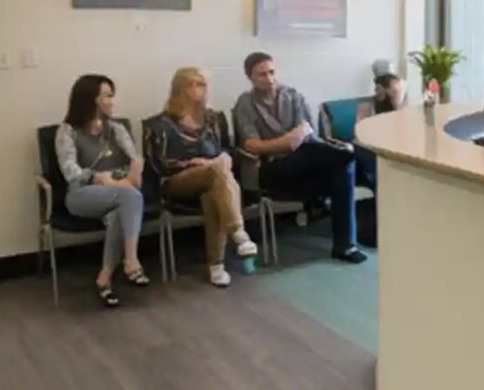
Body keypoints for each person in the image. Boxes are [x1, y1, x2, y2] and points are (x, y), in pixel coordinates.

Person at [232, 52, 367, 264]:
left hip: (304, 162)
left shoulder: (292, 95)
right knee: (340, 156)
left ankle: (345, 246)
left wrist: (291, 140)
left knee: (342, 169)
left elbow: (306, 132)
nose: (269, 79)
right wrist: (288, 142)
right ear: (250, 77)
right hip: (272, 169)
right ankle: (352, 153)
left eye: (272, 72)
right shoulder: (245, 104)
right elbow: (252, 145)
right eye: (261, 75)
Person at [145, 68, 258, 287]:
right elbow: (157, 164)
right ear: (179, 89)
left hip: (215, 179)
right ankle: (239, 233)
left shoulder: (214, 119)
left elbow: (228, 148)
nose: (200, 90)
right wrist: (192, 164)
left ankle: (216, 266)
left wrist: (222, 158)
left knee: (213, 192)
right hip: (176, 181)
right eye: (193, 84)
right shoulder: (158, 124)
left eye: (203, 84)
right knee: (217, 172)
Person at [55, 74, 149, 307]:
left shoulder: (117, 129)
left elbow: (133, 160)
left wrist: (134, 170)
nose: (111, 101)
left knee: (123, 207)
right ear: (91, 100)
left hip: (119, 190)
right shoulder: (67, 131)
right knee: (130, 196)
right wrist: (100, 178)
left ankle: (104, 278)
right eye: (107, 96)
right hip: (81, 195)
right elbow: (71, 173)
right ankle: (131, 260)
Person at [353, 72, 407, 193]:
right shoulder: (365, 107)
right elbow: (361, 134)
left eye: (395, 90)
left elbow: (403, 134)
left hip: (390, 150)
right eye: (377, 88)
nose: (378, 91)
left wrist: (396, 105)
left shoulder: (402, 110)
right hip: (368, 148)